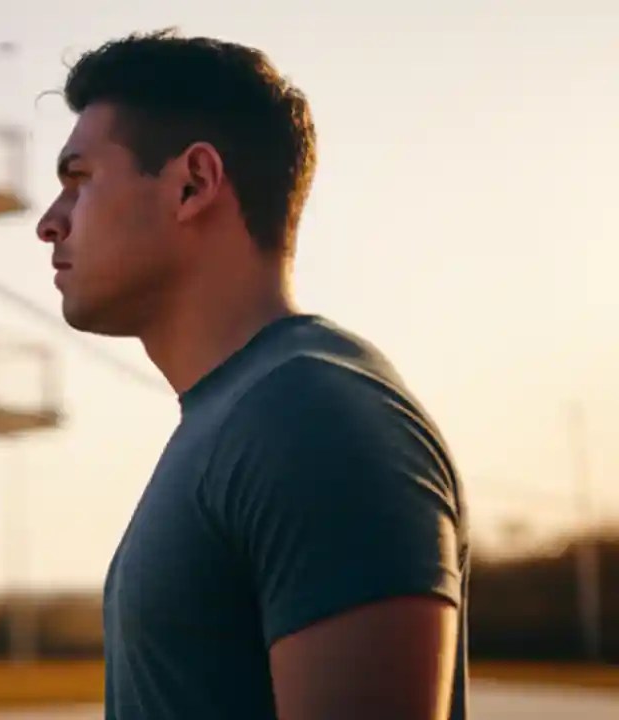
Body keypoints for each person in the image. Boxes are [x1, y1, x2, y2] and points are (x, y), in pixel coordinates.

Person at [36, 30, 469, 720]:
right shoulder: (238, 418)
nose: (48, 224)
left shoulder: (311, 419)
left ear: (192, 184)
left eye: (78, 180)